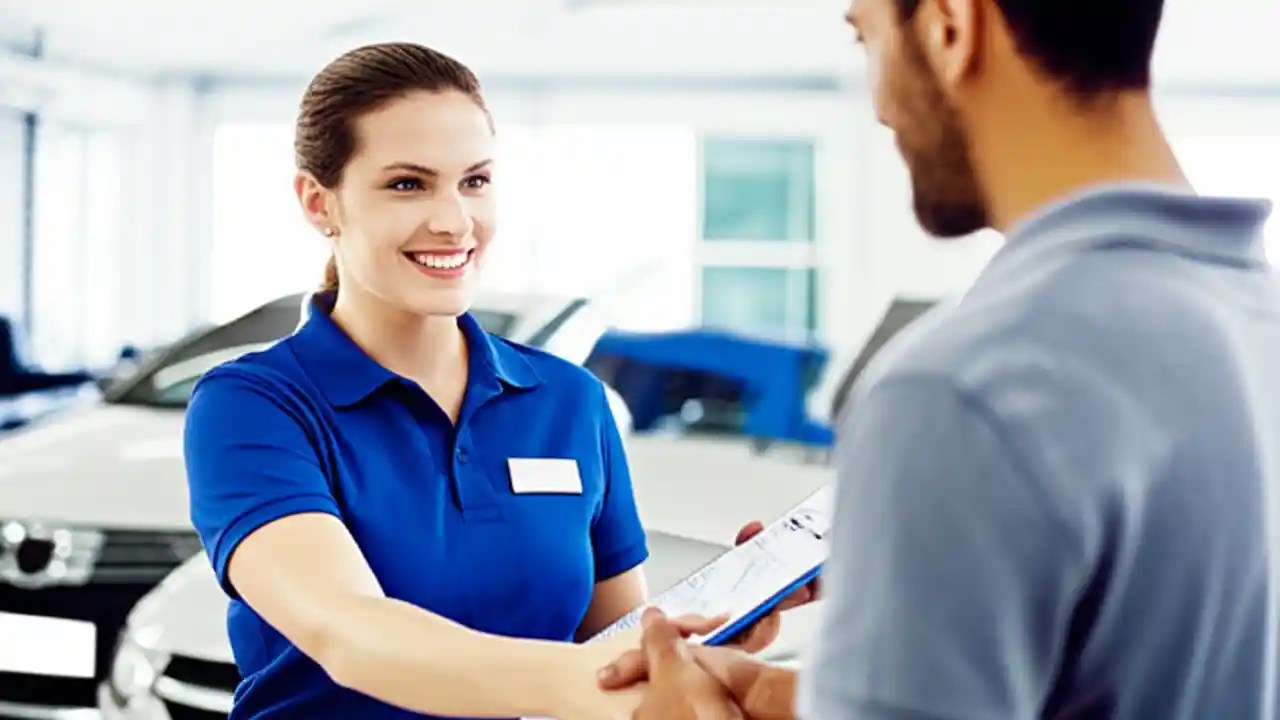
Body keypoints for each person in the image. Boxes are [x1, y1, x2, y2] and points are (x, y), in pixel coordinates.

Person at [600, 0, 1280, 717]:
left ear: (951, 27)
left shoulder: (963, 389)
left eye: (868, 39)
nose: (881, 108)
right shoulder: (1254, 319)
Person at [183, 42, 785, 719]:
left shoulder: (568, 403)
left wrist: (711, 632)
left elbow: (613, 648)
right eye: (407, 184)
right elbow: (353, 635)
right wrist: (623, 692)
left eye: (474, 181)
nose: (453, 221)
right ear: (319, 202)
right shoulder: (253, 407)